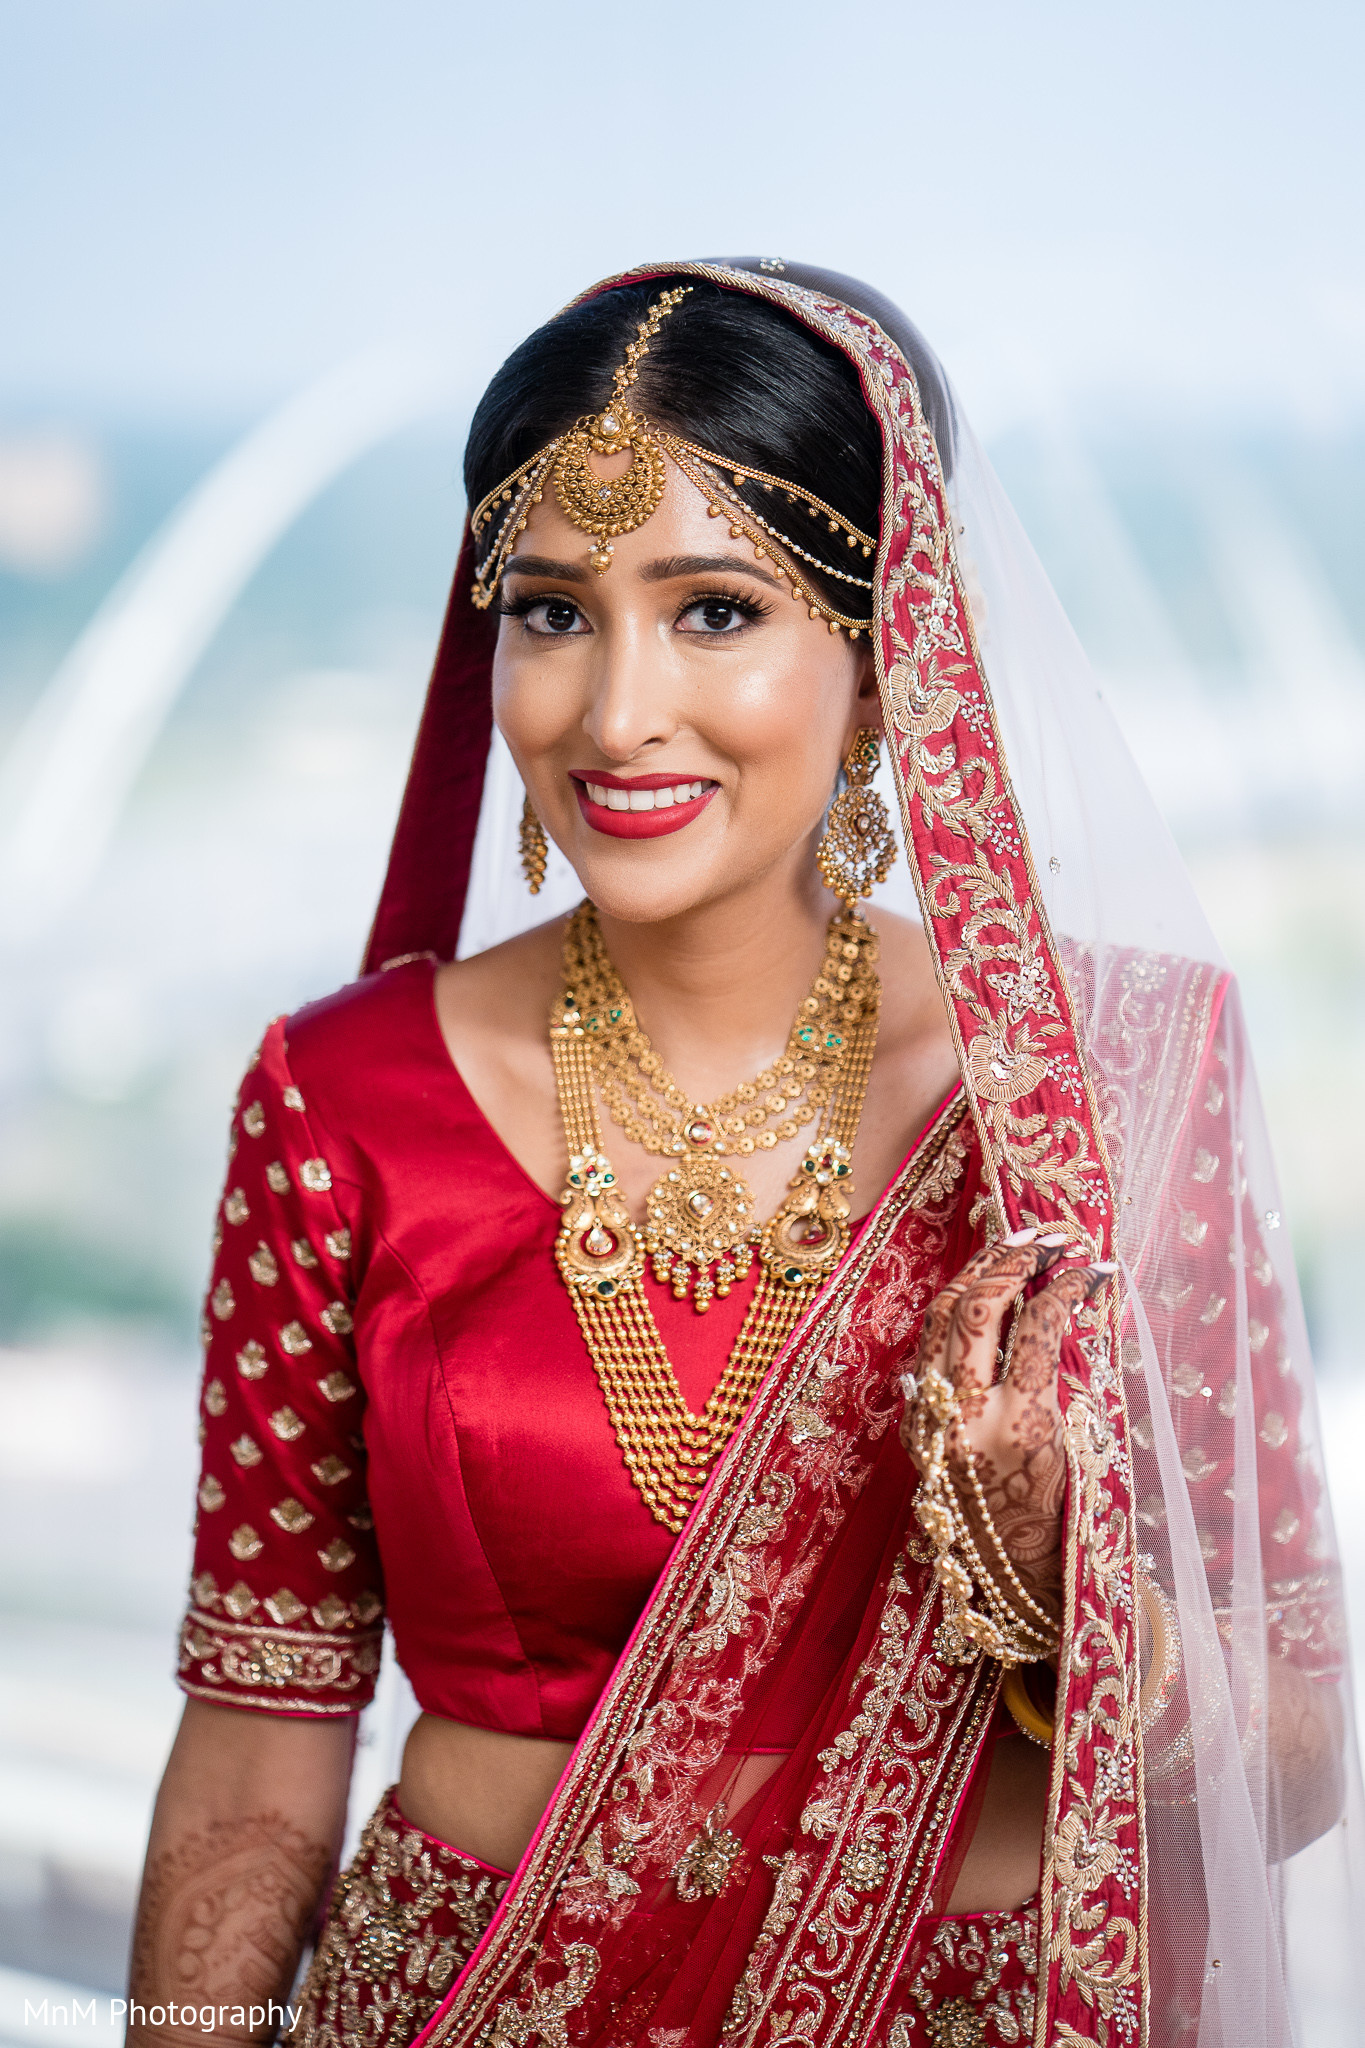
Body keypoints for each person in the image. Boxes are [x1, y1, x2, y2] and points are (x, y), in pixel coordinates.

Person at [127, 263, 1355, 2048]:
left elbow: (1300, 1761)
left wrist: (1069, 1613)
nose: (614, 714)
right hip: (475, 2002)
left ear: (885, 653)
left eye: (712, 611)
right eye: (550, 613)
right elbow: (258, 1736)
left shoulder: (1107, 1094)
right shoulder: (342, 1100)